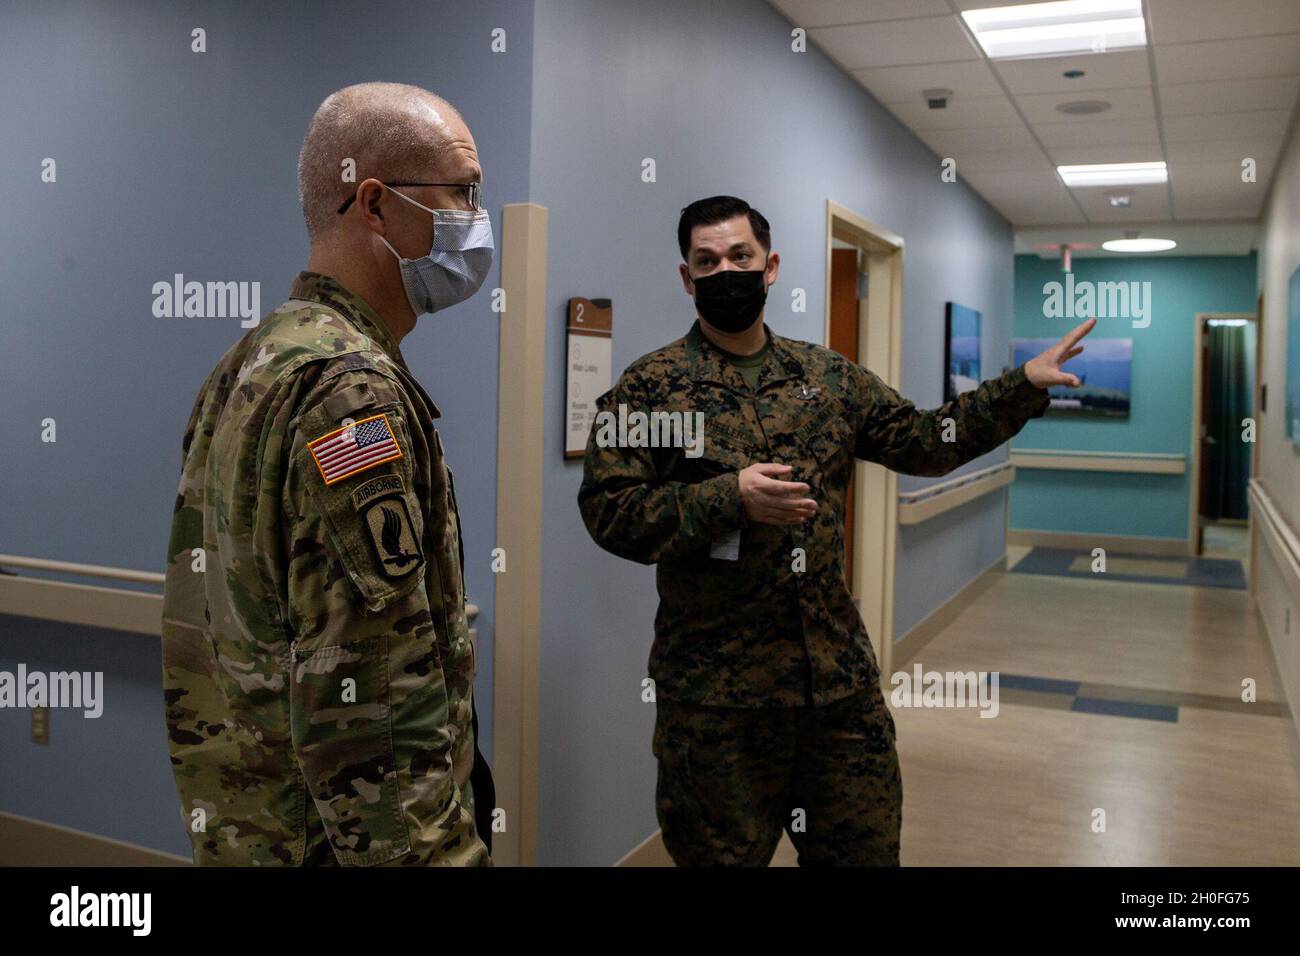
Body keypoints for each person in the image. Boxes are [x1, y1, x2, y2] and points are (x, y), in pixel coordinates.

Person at [578, 195, 1094, 866]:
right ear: (686, 278)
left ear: (771, 267)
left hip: (837, 694)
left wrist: (1020, 386)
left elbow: (922, 440)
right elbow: (608, 510)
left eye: (741, 256)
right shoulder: (649, 389)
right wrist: (726, 497)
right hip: (716, 708)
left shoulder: (827, 378)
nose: (725, 271)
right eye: (707, 261)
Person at [161, 82, 495, 866]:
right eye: (463, 192)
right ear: (374, 205)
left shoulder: (253, 360)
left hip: (257, 824)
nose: (477, 221)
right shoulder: (350, 392)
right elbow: (373, 697)